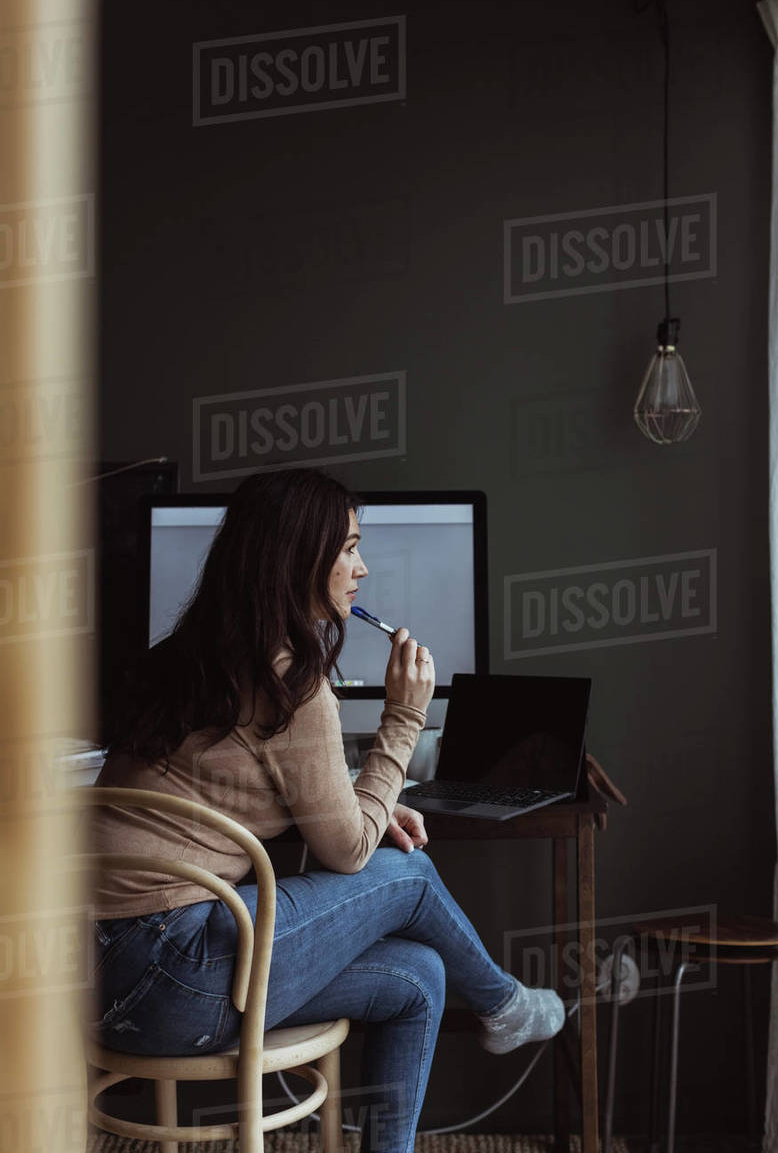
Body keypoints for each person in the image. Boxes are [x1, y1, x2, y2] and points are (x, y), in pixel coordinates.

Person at [89, 467, 565, 1153]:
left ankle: (482, 1029)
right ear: (296, 559)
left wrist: (359, 802)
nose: (362, 568)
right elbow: (348, 852)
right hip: (171, 978)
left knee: (420, 977)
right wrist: (405, 717)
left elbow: (233, 786)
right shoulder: (292, 684)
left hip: (93, 983)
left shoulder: (183, 660)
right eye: (348, 549)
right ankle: (504, 1003)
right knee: (409, 876)